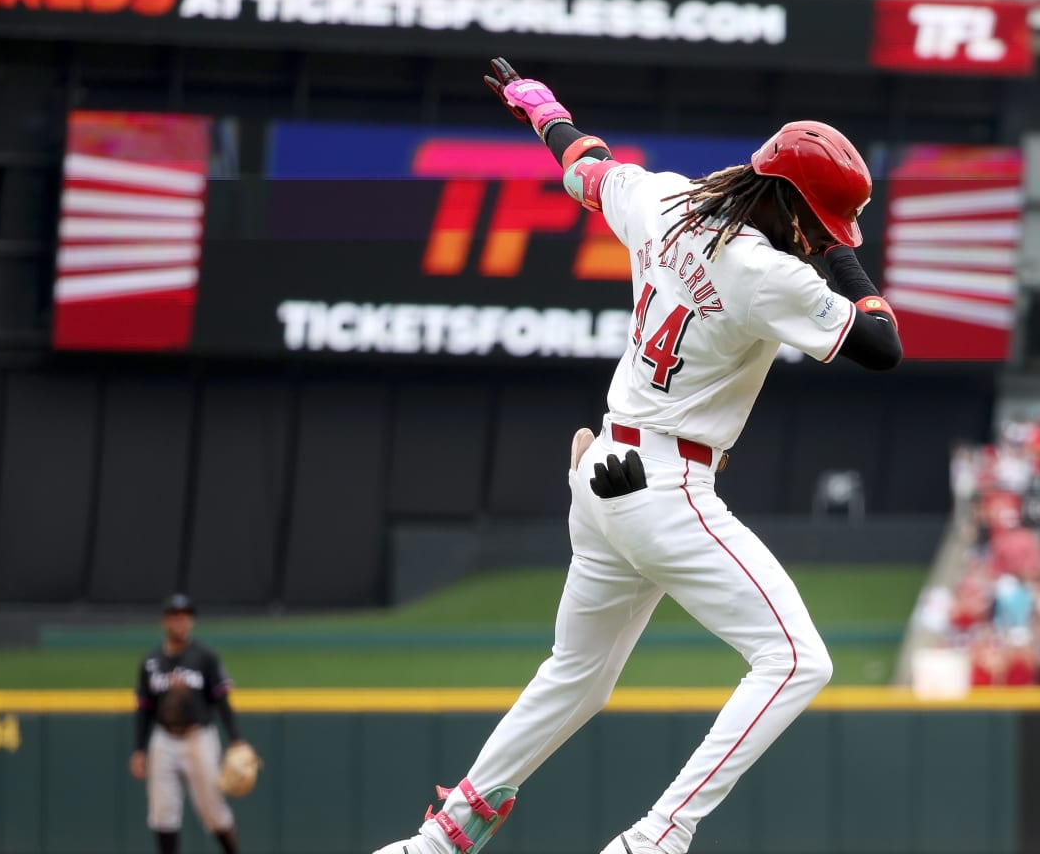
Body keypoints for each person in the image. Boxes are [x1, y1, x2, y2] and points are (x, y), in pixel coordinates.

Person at [372, 59, 902, 854]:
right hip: (666, 484)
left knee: (576, 675)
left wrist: (542, 108)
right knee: (797, 662)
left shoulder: (666, 199)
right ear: (794, 204)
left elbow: (583, 163)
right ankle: (658, 837)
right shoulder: (770, 274)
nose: (824, 234)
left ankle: (442, 839)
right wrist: (841, 258)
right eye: (822, 220)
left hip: (603, 473)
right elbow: (883, 344)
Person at [130, 594, 243, 854]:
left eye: (185, 617)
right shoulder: (151, 662)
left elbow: (222, 700)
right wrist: (138, 749)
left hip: (198, 737)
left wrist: (236, 739)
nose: (181, 622)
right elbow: (144, 708)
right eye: (175, 617)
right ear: (165, 621)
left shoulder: (205, 656)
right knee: (162, 811)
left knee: (212, 810)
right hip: (164, 738)